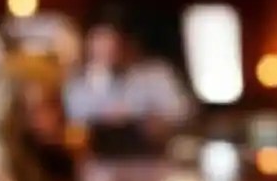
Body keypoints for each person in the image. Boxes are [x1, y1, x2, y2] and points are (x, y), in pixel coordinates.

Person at [61, 21, 192, 145]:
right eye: (100, 46)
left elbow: (183, 111)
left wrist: (157, 119)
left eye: (114, 45)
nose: (108, 52)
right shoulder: (77, 84)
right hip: (100, 157)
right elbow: (76, 122)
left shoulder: (156, 74)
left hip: (155, 154)